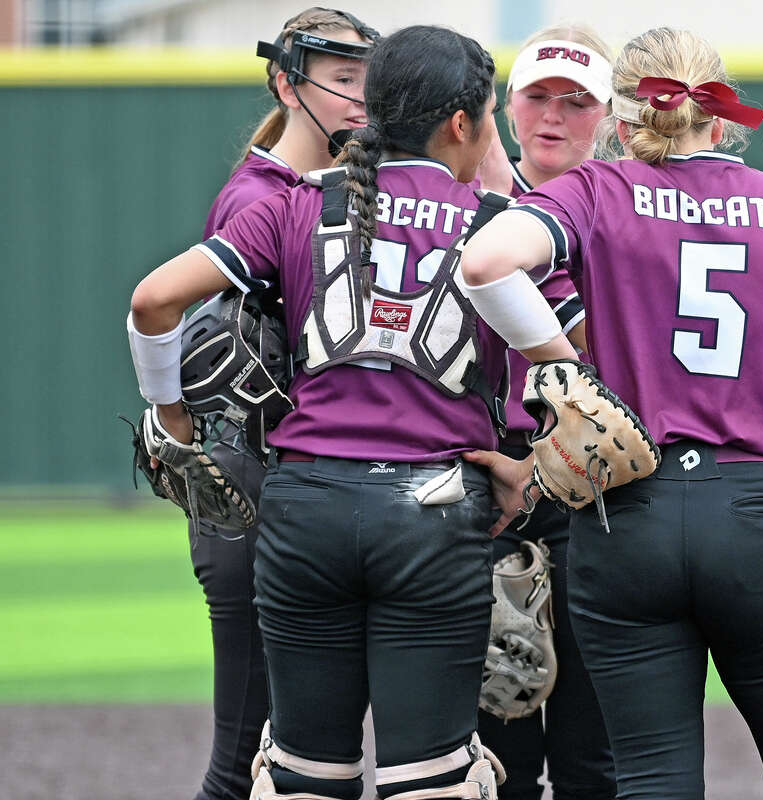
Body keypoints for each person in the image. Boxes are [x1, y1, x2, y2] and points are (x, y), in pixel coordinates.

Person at [459, 26, 763, 800]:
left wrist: (562, 367)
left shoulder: (596, 190)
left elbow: (484, 262)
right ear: (720, 119)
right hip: (755, 511)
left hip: (627, 518)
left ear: (623, 120)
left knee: (652, 780)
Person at [129, 25, 510, 800]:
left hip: (302, 506)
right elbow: (571, 361)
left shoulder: (292, 203)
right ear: (465, 122)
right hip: (433, 506)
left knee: (298, 775)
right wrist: (529, 466)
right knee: (432, 779)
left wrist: (169, 420)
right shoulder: (502, 222)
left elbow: (152, 299)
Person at [187, 9, 376, 800]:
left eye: (371, 83)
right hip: (258, 488)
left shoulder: (340, 189)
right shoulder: (262, 199)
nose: (360, 102)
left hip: (301, 496)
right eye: (340, 82)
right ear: (285, 83)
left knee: (297, 755)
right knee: (247, 764)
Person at [469, 22, 616, 800]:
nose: (553, 115)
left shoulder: (629, 212)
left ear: (609, 114)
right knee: (500, 742)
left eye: (576, 101)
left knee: (599, 752)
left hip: (601, 497)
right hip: (495, 497)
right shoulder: (468, 205)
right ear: (507, 106)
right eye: (537, 96)